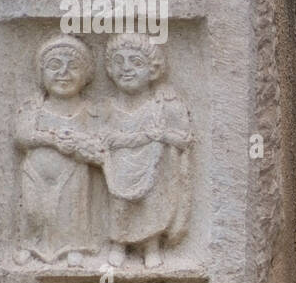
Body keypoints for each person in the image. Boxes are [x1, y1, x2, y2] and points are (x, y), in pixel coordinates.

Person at [101, 33, 193, 268]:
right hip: (119, 166)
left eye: (136, 62)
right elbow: (97, 136)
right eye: (119, 62)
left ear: (153, 70)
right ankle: (118, 244)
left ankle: (151, 247)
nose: (127, 69)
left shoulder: (162, 106)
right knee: (119, 206)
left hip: (153, 167)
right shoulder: (107, 107)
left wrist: (161, 137)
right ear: (110, 70)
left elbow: (184, 139)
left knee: (151, 206)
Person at [15, 34, 104, 266]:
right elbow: (22, 136)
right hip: (35, 171)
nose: (63, 73)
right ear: (41, 74)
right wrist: (53, 140)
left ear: (86, 76)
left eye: (73, 66)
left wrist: (77, 145)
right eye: (54, 66)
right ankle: (31, 245)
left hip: (73, 171)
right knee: (33, 210)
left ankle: (73, 247)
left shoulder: (90, 110)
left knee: (70, 211)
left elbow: (99, 145)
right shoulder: (34, 106)